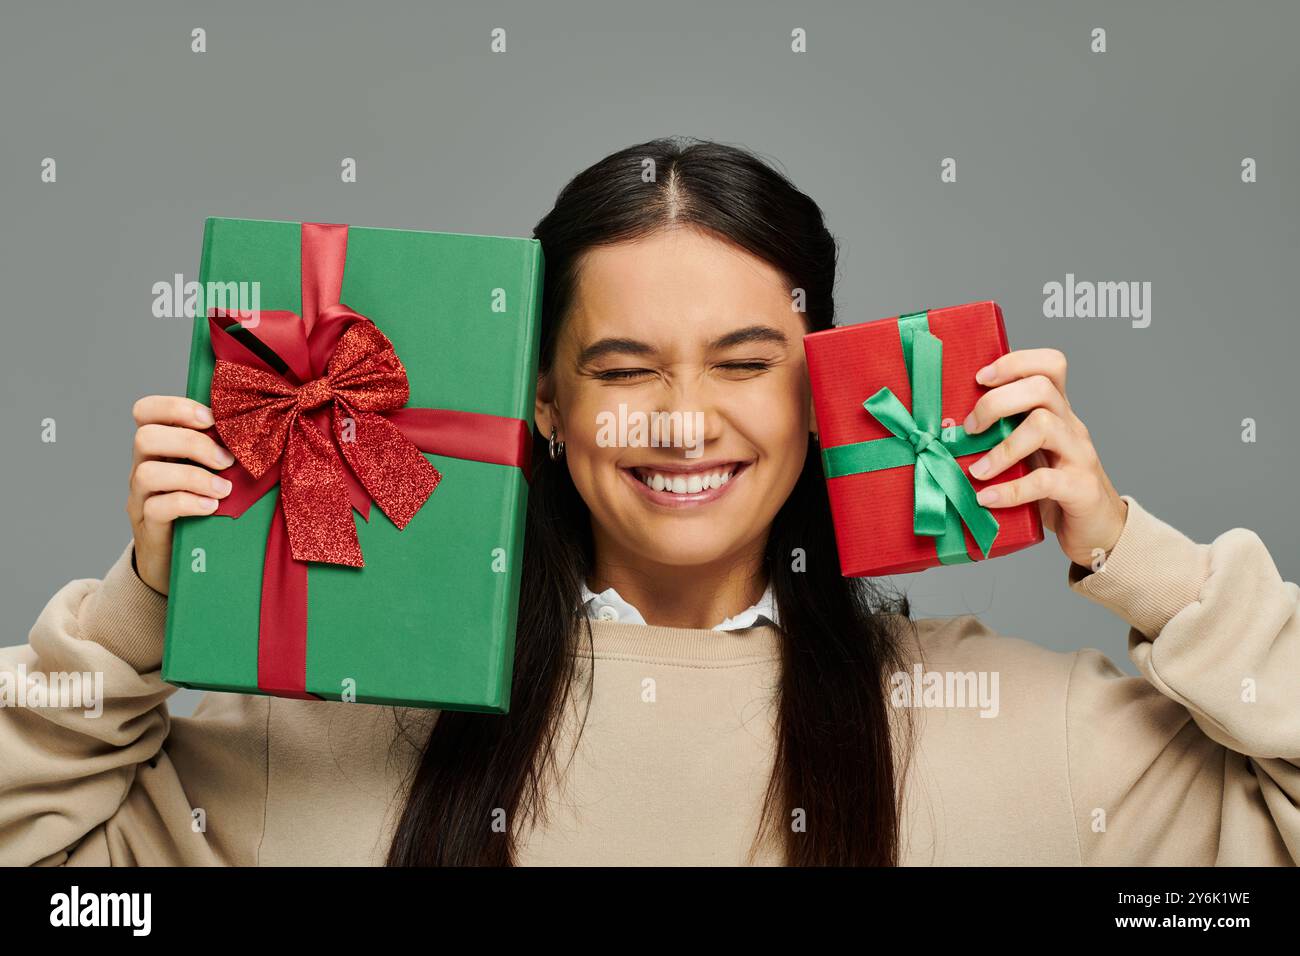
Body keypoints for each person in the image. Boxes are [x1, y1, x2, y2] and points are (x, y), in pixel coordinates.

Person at [2, 137, 1296, 866]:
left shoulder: (1017, 732)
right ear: (546, 411)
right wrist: (144, 605)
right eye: (623, 371)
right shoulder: (332, 734)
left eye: (747, 366)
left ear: (823, 396)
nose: (684, 420)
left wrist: (1145, 563)